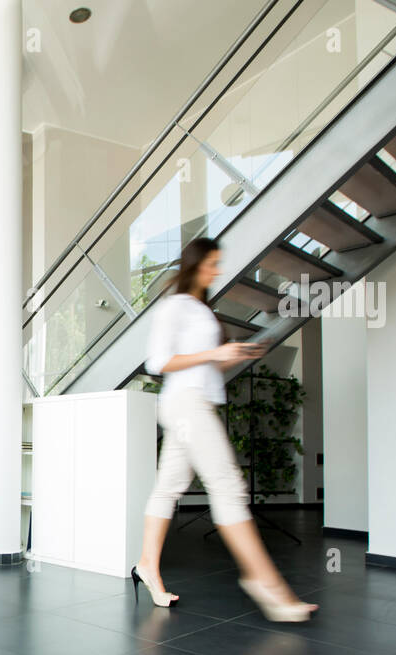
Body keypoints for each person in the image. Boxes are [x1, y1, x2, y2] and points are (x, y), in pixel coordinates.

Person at [132, 237, 318, 622]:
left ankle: (148, 565)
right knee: (228, 486)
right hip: (185, 404)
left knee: (168, 488)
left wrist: (232, 356)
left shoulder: (201, 308)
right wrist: (215, 352)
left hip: (196, 400)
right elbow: (158, 361)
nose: (217, 270)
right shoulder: (175, 305)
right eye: (211, 263)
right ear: (194, 264)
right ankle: (266, 584)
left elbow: (203, 366)